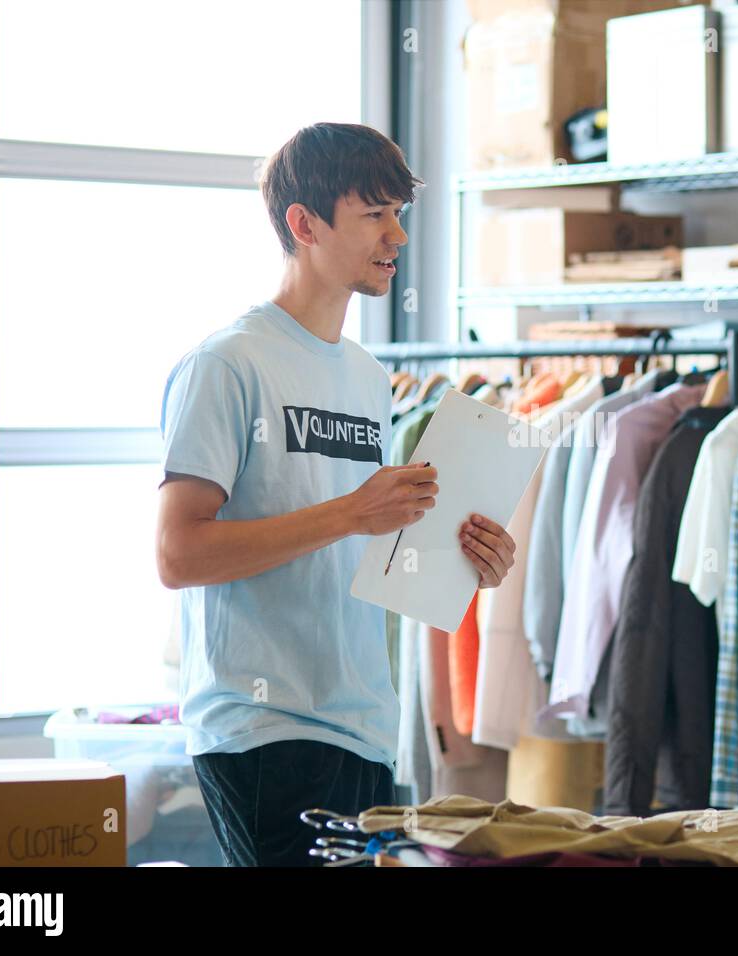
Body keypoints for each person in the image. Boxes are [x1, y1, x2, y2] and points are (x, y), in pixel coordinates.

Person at [154, 123, 517, 866]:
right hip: (263, 727)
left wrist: (465, 559)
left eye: (398, 212)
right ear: (303, 224)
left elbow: (358, 548)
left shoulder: (368, 377)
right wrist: (355, 510)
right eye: (375, 215)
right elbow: (178, 552)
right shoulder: (226, 366)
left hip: (365, 727)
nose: (399, 234)